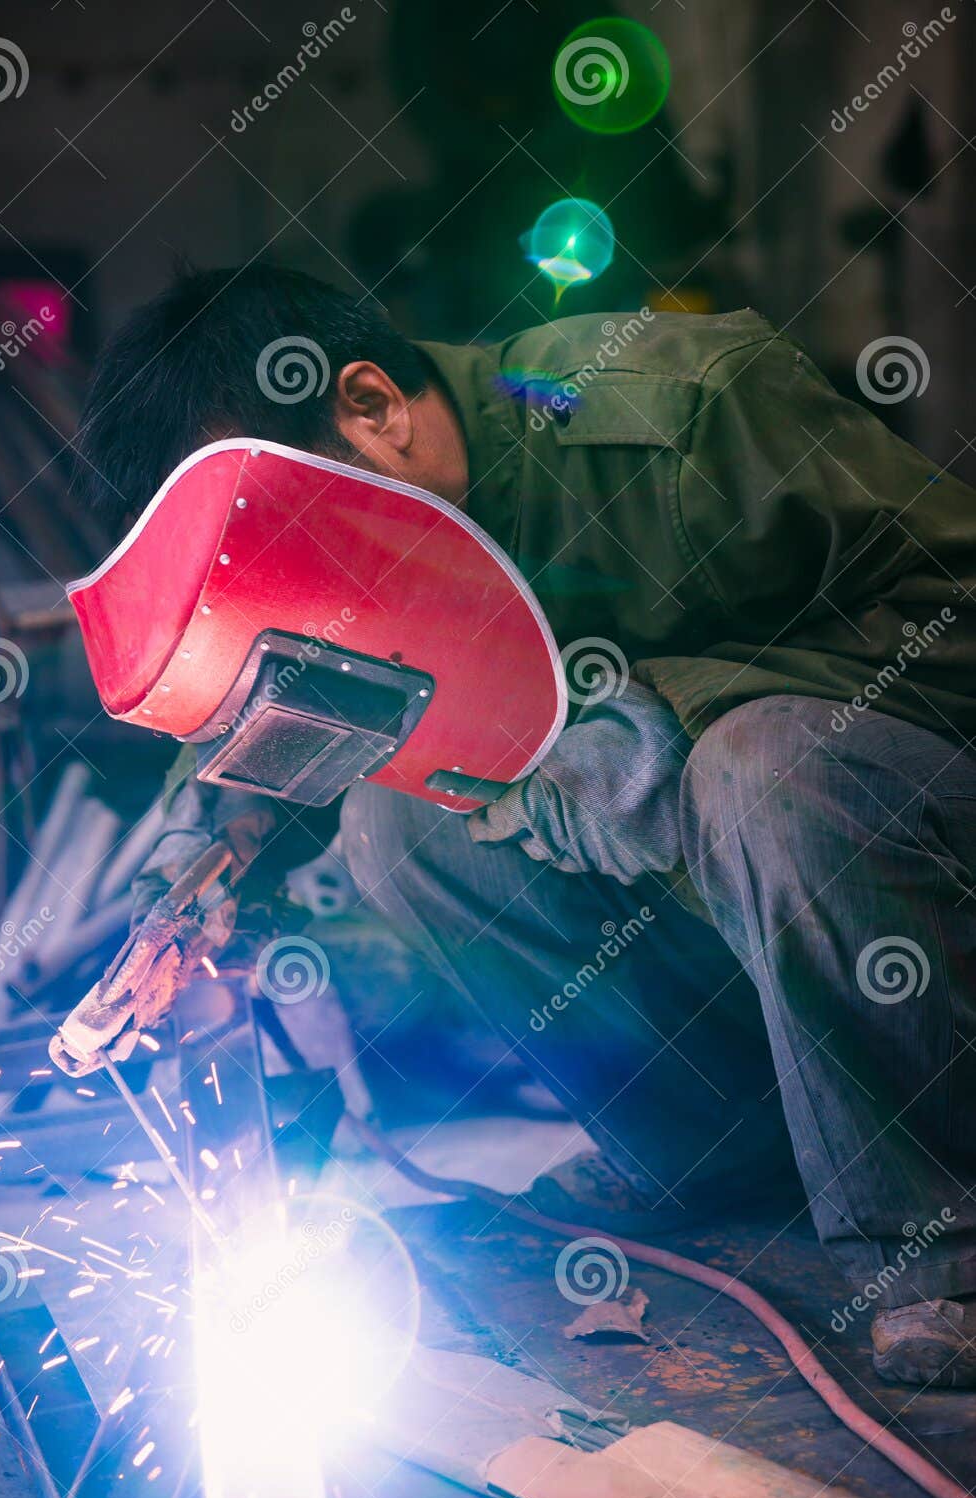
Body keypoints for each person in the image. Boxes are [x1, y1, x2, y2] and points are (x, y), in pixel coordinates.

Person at [59, 262, 976, 1388]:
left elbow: (957, 601)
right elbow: (291, 709)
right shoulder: (351, 527)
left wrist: (675, 715)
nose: (303, 584)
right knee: (400, 827)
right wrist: (203, 859)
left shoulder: (675, 411)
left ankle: (937, 1250)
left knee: (760, 768)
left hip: (907, 834)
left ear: (371, 408)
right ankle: (710, 1152)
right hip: (737, 890)